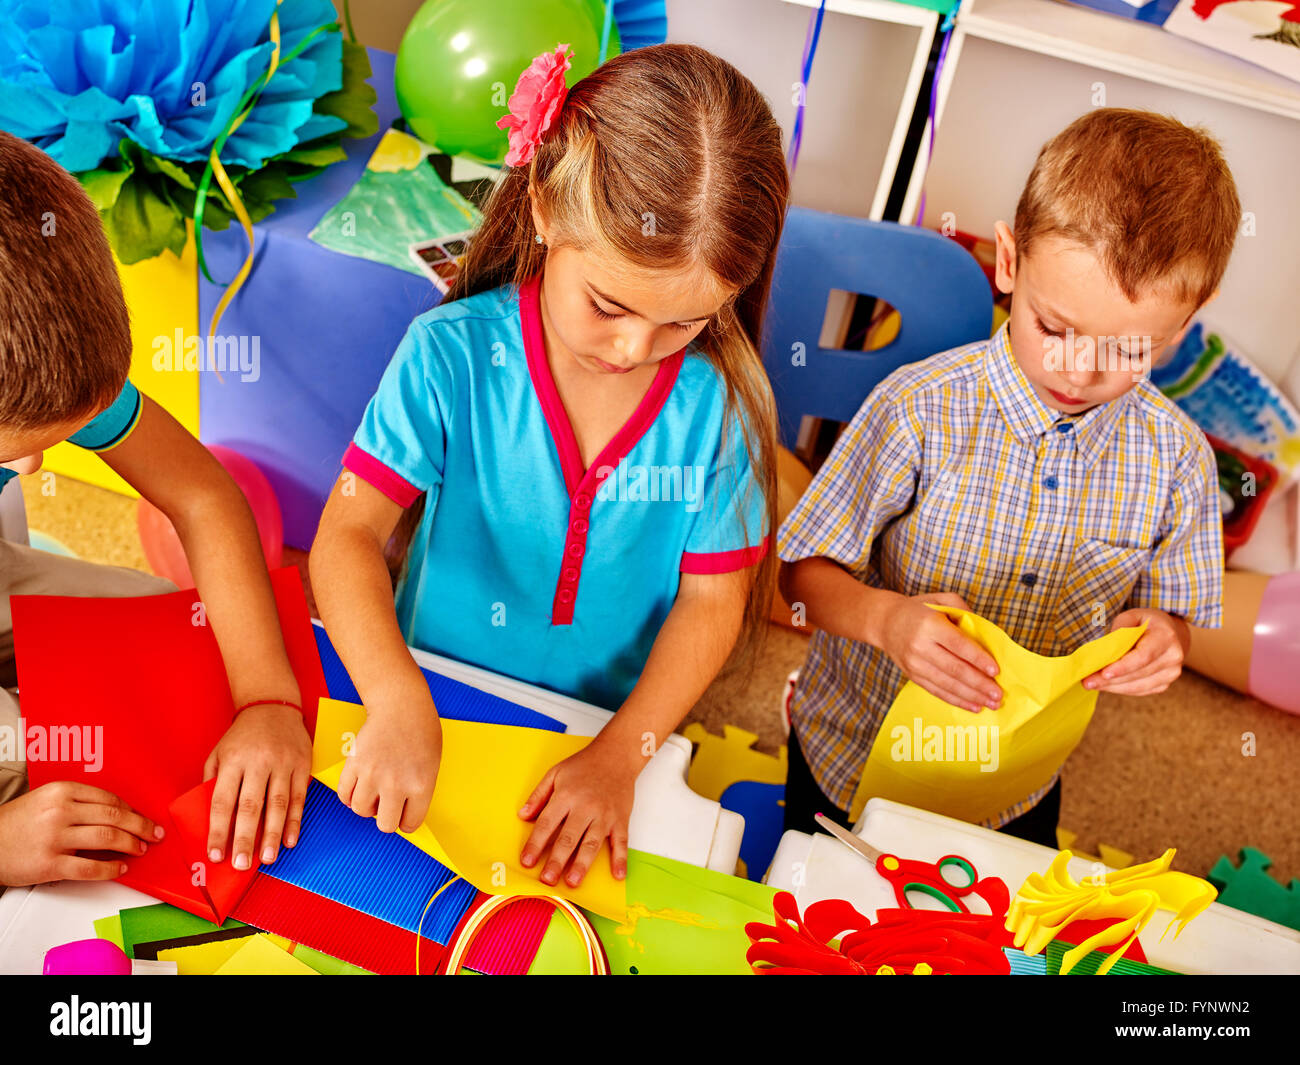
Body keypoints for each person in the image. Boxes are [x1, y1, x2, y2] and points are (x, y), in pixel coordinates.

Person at [311, 43, 788, 888]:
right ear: (540, 205)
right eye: (608, 303)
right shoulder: (448, 354)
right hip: (426, 694)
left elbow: (715, 602)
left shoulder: (724, 405)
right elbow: (347, 533)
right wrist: (391, 695)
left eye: (683, 324)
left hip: (601, 732)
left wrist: (619, 757)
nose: (634, 348)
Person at [778, 109, 1237, 846]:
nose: (1078, 373)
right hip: (850, 756)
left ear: (1186, 322)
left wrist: (1164, 639)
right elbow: (801, 576)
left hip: (1018, 783)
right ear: (1010, 262)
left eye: (1126, 351)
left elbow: (1170, 615)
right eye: (1054, 328)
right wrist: (887, 621)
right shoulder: (916, 407)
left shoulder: (1179, 459)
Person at [0, 130, 311, 889]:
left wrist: (268, 698)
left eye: (59, 437)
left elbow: (202, 496)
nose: (35, 468)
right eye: (12, 445)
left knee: (194, 640)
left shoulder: (38, 362)